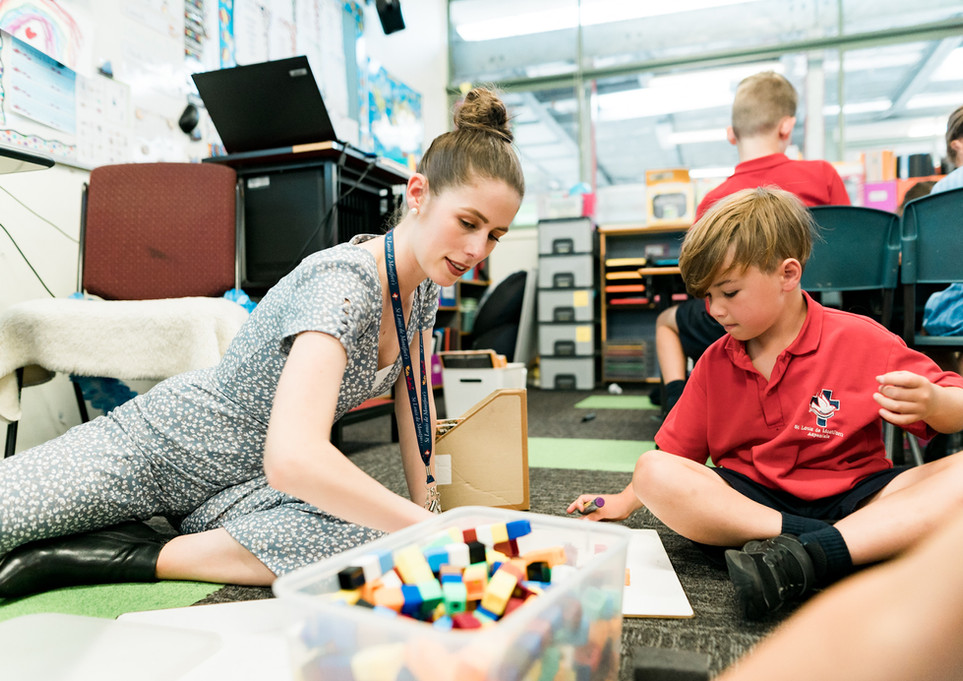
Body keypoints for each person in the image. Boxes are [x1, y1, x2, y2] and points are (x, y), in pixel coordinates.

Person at [0, 87, 525, 597]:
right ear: (418, 194)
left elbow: (415, 411)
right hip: (164, 448)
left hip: (252, 490)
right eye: (467, 222)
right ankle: (173, 537)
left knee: (387, 546)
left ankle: (111, 554)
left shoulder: (427, 288)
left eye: (495, 235)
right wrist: (429, 531)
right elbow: (294, 456)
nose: (477, 248)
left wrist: (428, 518)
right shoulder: (345, 281)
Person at [569, 187, 963, 620]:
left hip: (855, 492)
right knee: (651, 471)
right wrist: (624, 501)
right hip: (751, 506)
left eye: (730, 292)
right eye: (706, 297)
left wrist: (935, 401)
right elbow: (673, 457)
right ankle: (836, 544)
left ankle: (812, 553)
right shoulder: (715, 361)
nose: (715, 309)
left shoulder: (863, 338)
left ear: (788, 275)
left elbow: (953, 411)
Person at [655, 71, 850, 415]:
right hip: (822, 318)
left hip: (736, 327)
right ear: (786, 127)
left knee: (666, 321)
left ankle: (675, 402)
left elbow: (704, 281)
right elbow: (851, 254)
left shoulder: (714, 201)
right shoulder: (824, 176)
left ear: (731, 135)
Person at [716, 509, 963, 681]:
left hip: (864, 492)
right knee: (675, 474)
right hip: (755, 499)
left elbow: (948, 430)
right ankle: (853, 535)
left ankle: (805, 555)